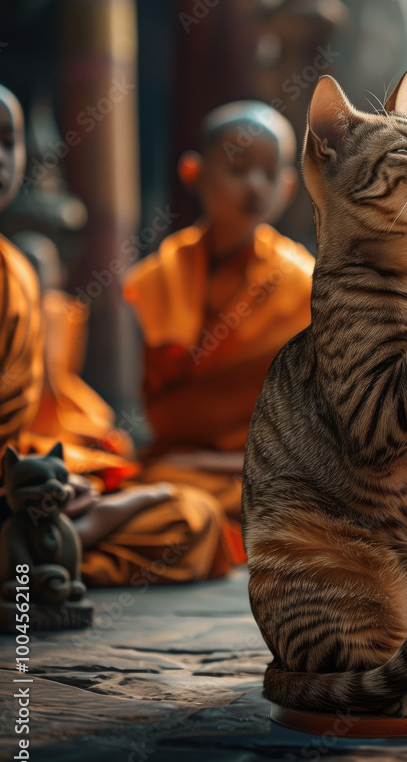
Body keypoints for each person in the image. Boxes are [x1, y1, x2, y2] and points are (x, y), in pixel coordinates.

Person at [0, 86, 235, 586]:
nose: (1, 158)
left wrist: (64, 481)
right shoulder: (168, 272)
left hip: (26, 485)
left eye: (8, 142)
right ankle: (45, 549)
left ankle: (48, 548)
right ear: (194, 173)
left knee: (192, 516)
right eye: (236, 168)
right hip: (15, 490)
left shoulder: (16, 274)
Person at [123, 102, 314, 558]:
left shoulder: (304, 284)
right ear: (193, 172)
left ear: (288, 186)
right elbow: (161, 408)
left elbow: (316, 418)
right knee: (160, 487)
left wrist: (211, 460)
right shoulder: (158, 278)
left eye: (269, 173)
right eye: (238, 168)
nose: (255, 185)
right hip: (182, 464)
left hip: (276, 469)